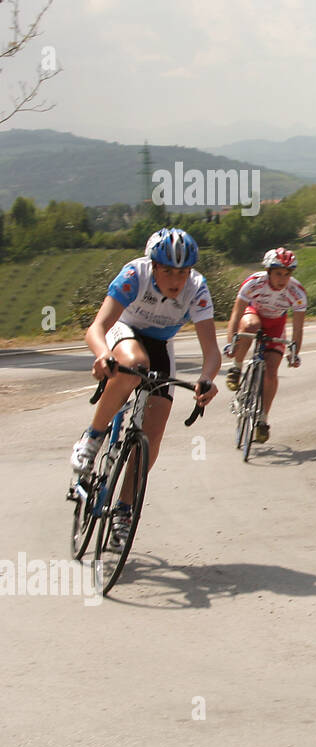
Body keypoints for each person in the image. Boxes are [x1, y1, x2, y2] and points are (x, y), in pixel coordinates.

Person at [69, 228, 220, 549]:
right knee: (134, 366)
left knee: (151, 437)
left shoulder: (197, 288)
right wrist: (103, 355)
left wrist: (206, 379)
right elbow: (97, 327)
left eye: (183, 270)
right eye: (167, 270)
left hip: (161, 345)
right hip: (123, 331)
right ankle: (93, 437)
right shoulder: (134, 274)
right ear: (153, 266)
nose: (176, 279)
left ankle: (124, 509)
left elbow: (212, 352)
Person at [224, 248, 306, 442]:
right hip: (254, 315)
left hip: (276, 325)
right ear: (268, 271)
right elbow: (236, 314)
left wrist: (294, 353)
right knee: (251, 325)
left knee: (271, 371)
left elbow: (298, 328)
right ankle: (236, 369)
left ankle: (262, 419)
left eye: (287, 274)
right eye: (278, 273)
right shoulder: (254, 283)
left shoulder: (297, 292)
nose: (282, 279)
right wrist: (231, 343)